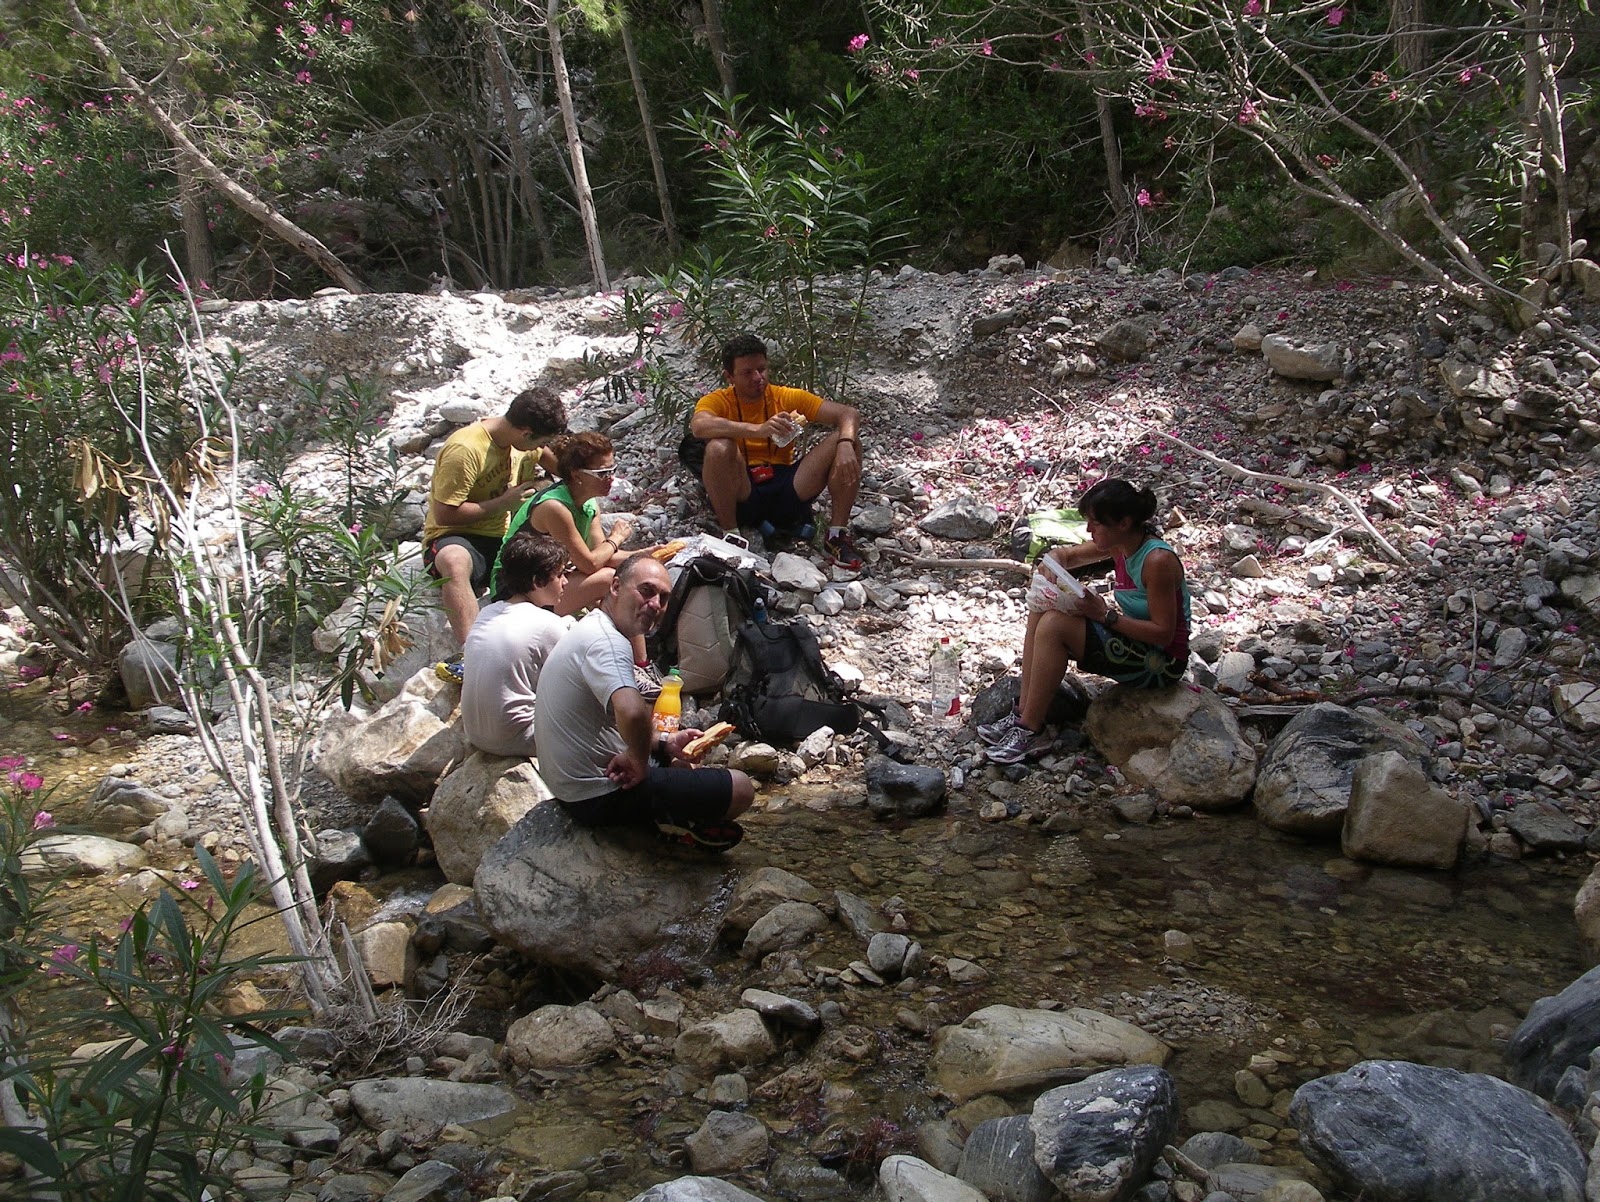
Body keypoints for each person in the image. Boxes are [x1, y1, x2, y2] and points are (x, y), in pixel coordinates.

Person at [534, 553, 755, 851]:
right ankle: (669, 827)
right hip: (593, 795)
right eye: (646, 591)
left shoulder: (595, 627)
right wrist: (639, 760)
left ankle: (673, 816)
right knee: (741, 788)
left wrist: (664, 742)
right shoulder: (608, 644)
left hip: (571, 783)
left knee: (679, 762)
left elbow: (616, 719)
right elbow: (632, 712)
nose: (655, 605)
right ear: (615, 588)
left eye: (663, 598)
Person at [981, 478, 1192, 765]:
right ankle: (1023, 715)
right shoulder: (1120, 545)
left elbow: (1164, 634)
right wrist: (1052, 562)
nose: (1089, 530)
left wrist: (1104, 615)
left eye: (1096, 523)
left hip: (1161, 663)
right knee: (1041, 608)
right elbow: (1067, 555)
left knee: (1055, 625)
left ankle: (1032, 730)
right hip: (1139, 642)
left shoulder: (1156, 561)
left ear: (1124, 523)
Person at [492, 431, 662, 695]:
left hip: (549, 584)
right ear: (576, 474)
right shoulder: (555, 508)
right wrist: (617, 538)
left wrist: (645, 555)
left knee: (630, 572)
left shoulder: (587, 503)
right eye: (602, 473)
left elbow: (599, 553)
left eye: (612, 470)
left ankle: (637, 662)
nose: (611, 479)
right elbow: (592, 564)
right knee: (612, 581)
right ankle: (639, 666)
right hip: (517, 592)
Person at [425, 386, 566, 680]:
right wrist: (503, 503)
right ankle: (474, 654)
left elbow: (560, 466)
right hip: (459, 534)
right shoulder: (466, 449)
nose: (542, 448)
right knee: (453, 562)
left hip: (504, 536)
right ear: (525, 433)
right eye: (541, 440)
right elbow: (445, 513)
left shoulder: (524, 444)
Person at [689, 333, 865, 569]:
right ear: (729, 376)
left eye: (762, 369)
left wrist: (844, 444)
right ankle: (731, 534)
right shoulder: (718, 400)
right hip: (743, 489)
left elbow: (848, 413)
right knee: (719, 447)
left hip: (785, 485)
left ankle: (836, 536)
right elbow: (699, 426)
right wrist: (757, 430)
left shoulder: (785, 396)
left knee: (849, 441)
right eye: (747, 372)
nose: (757, 378)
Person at [459, 532, 569, 759]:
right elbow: (573, 682)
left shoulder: (488, 612)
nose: (565, 582)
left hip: (475, 734)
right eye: (560, 575)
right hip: (519, 738)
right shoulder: (547, 625)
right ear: (538, 581)